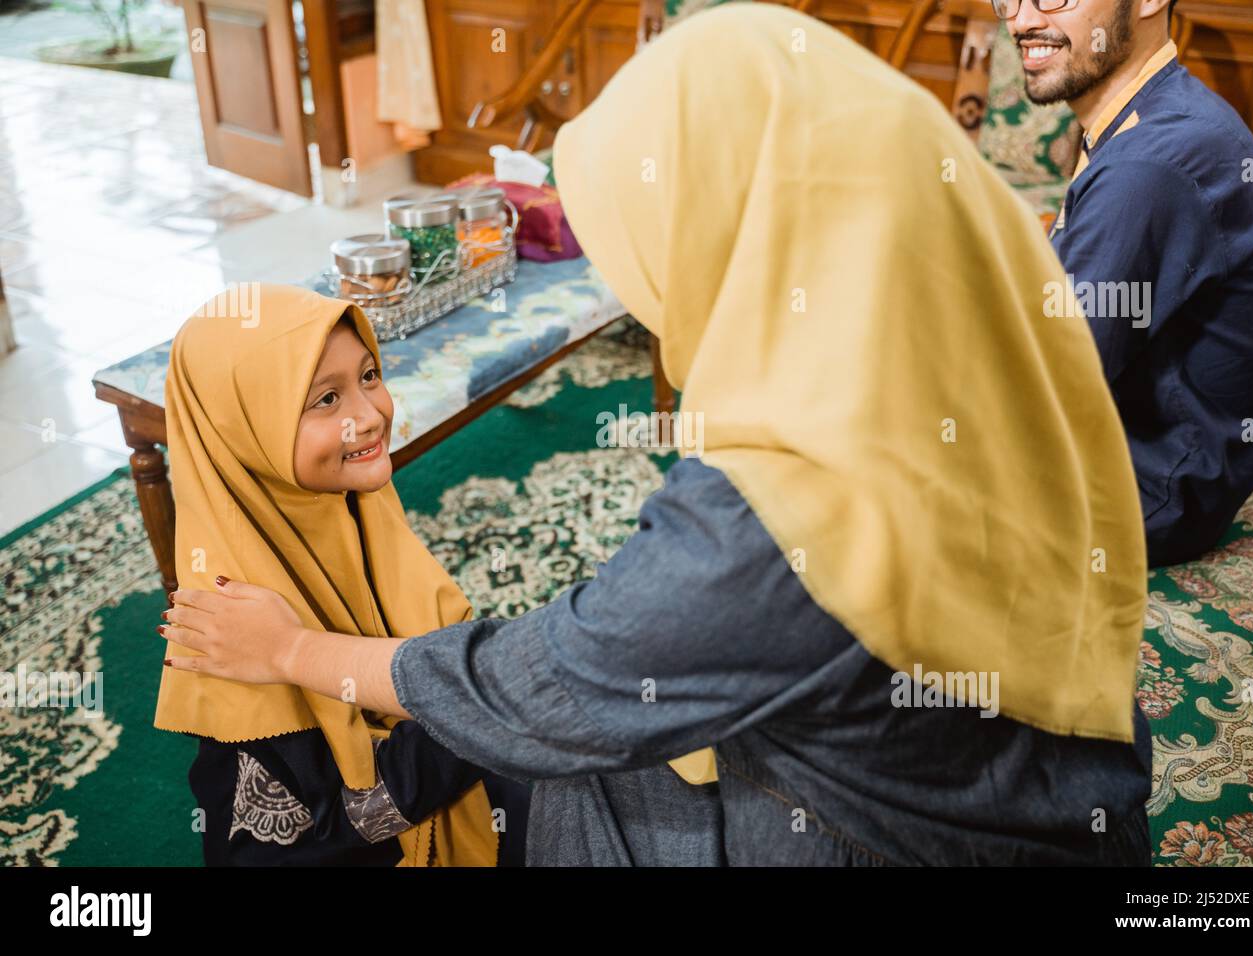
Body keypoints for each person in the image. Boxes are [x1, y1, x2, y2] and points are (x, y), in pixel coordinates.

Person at [160, 3, 1155, 866]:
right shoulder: (944, 327)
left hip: (924, 831)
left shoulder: (781, 500)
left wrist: (294, 650)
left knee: (585, 767)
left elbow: (552, 688)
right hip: (1053, 771)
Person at [155, 285, 529, 866]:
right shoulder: (230, 617)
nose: (369, 415)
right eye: (326, 398)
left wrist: (482, 690)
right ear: (245, 430)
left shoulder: (355, 508)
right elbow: (358, 817)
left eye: (370, 375)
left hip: (442, 767)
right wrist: (484, 699)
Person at [1003, 0, 1253, 565]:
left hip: (1139, 488)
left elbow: (1033, 386)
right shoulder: (1157, 108)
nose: (1020, 21)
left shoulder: (1152, 164)